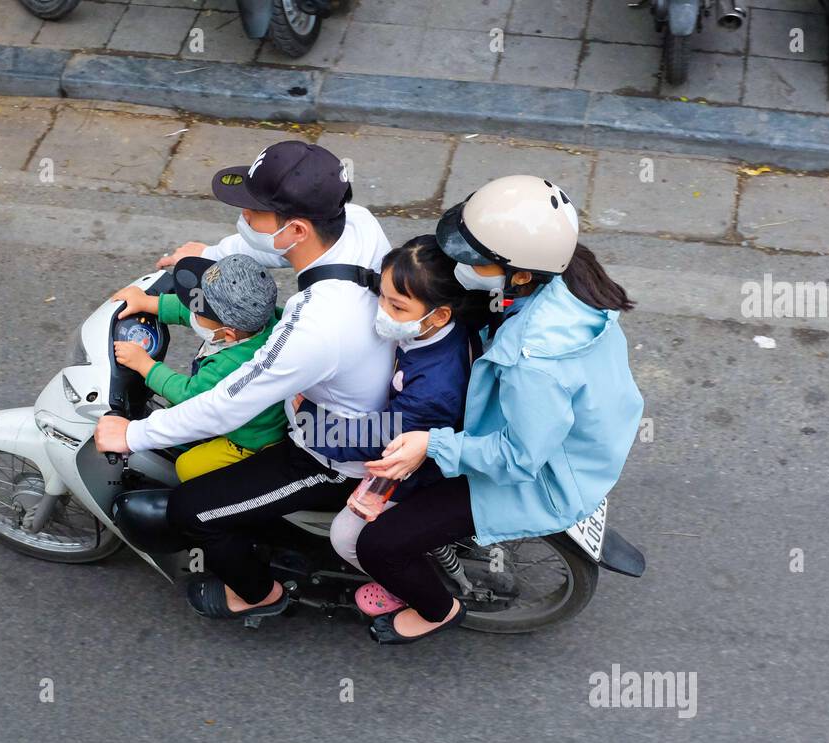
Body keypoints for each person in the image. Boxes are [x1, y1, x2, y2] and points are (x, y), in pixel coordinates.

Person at [93, 140, 395, 622]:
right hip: (354, 403)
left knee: (193, 512)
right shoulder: (354, 223)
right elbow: (276, 253)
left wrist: (132, 434)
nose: (245, 221)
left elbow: (226, 404)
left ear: (295, 228)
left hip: (335, 450)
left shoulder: (317, 326)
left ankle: (259, 595)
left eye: (253, 214)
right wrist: (212, 255)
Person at [356, 175, 644, 645]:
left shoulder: (535, 360)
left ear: (520, 274)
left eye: (474, 260)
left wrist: (434, 443)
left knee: (379, 544)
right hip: (581, 439)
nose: (458, 264)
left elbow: (519, 457)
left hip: (539, 473)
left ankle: (437, 611)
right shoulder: (569, 272)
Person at [296, 235, 479, 615]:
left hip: (418, 466)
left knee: (346, 538)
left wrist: (308, 423)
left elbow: (379, 438)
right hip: (423, 436)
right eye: (381, 296)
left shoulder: (435, 388)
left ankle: (404, 586)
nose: (382, 311)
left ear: (439, 314)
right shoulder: (441, 333)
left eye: (396, 305)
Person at [109, 254, 287, 482]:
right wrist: (149, 303)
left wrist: (145, 365)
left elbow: (189, 396)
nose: (193, 313)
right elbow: (199, 309)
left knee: (188, 467)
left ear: (229, 334)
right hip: (260, 409)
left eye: (198, 314)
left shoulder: (230, 365)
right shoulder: (262, 317)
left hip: (249, 438)